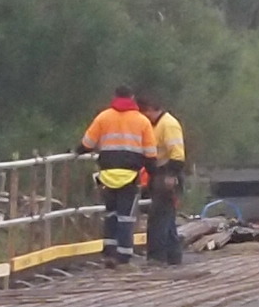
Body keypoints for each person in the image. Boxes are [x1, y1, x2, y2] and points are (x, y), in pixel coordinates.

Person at [79, 89, 155, 261]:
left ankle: (109, 251)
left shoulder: (103, 117)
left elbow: (87, 143)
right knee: (126, 217)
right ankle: (124, 255)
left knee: (110, 213)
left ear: (114, 97)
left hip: (107, 174)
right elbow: (151, 153)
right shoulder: (142, 121)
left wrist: (76, 151)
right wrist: (153, 172)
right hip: (129, 175)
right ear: (132, 98)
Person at [144, 95, 188, 265]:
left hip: (167, 175)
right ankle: (173, 255)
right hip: (161, 174)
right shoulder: (160, 124)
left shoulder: (168, 125)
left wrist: (171, 175)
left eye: (146, 112)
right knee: (166, 217)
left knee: (158, 217)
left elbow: (177, 154)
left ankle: (157, 257)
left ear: (152, 109)